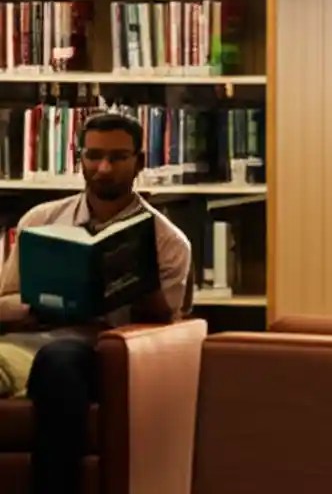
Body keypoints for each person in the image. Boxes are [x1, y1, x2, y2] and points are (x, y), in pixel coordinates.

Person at [0, 112, 191, 494]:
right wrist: (36, 306)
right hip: (31, 336)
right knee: (50, 356)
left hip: (101, 349)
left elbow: (166, 322)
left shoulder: (167, 240)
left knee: (59, 362)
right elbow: (4, 301)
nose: (103, 168)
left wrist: (138, 287)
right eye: (93, 156)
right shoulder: (41, 219)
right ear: (80, 157)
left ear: (139, 162)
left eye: (118, 158)